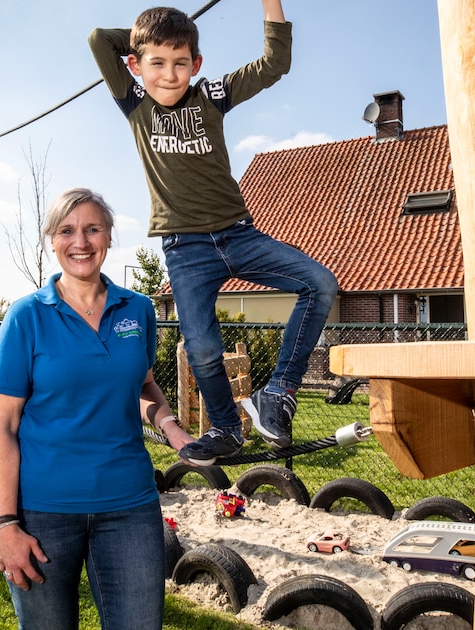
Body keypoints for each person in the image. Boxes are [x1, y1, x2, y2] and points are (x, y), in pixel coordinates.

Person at [89, 1, 338, 465]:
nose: (169, 75)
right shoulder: (134, 102)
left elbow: (274, 64)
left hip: (238, 235)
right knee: (202, 347)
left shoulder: (212, 94)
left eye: (181, 63)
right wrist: (148, 38)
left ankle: (278, 392)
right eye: (157, 63)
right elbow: (99, 39)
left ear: (196, 64)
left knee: (320, 282)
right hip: (185, 250)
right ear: (135, 66)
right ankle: (225, 428)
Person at [0, 187, 195, 630]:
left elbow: (141, 384)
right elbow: (1, 425)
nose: (80, 242)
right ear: (52, 240)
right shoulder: (26, 317)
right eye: (67, 231)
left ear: (109, 236)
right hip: (43, 513)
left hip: (130, 506)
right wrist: (5, 524)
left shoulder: (137, 309)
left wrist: (170, 425)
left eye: (92, 229)